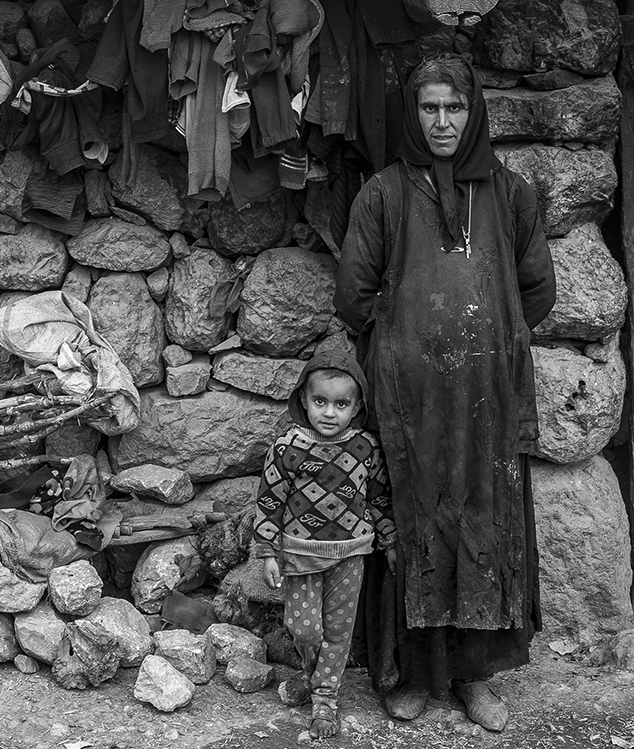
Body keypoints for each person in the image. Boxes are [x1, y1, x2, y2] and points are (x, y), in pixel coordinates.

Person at [333, 54, 556, 732]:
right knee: (414, 526)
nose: (441, 121)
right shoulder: (384, 195)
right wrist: (403, 339)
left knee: (484, 529)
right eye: (429, 108)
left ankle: (474, 677)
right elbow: (353, 293)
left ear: (473, 112)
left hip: (488, 404)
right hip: (411, 406)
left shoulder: (511, 194)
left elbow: (537, 291)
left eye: (453, 108)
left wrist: (492, 336)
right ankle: (411, 678)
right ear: (414, 113)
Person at [254, 348, 396, 739]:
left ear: (357, 406)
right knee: (304, 629)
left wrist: (391, 539)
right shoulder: (287, 448)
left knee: (338, 632)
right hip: (301, 555)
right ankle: (312, 676)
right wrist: (268, 552)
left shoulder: (366, 449)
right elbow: (269, 502)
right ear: (304, 399)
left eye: (341, 404)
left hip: (351, 555)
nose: (329, 413)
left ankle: (324, 701)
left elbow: (379, 498)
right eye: (320, 402)